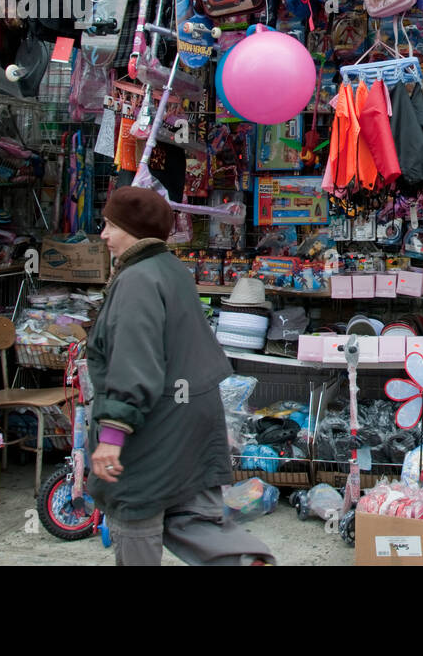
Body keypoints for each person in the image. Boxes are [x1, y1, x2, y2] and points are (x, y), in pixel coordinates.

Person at [87, 186, 276, 566]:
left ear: (133, 228)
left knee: (135, 505)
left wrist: (111, 434)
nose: (104, 235)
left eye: (110, 225)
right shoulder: (171, 269)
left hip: (159, 418)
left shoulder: (138, 279)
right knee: (189, 513)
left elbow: (133, 362)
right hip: (195, 411)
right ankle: (238, 561)